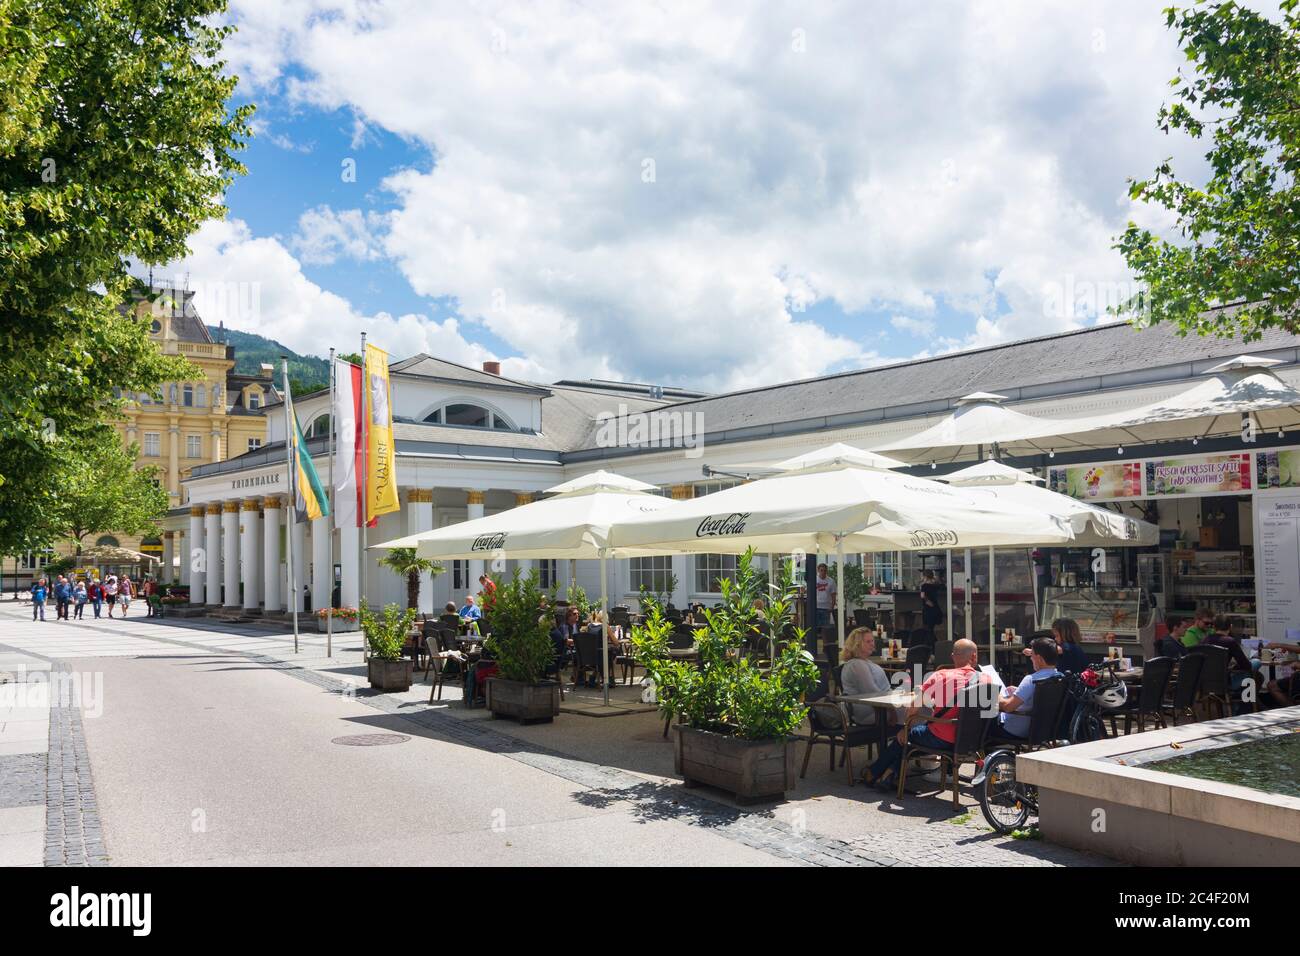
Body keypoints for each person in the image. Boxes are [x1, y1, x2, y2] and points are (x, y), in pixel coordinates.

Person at [862, 639, 990, 791]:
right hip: (971, 741)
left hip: (940, 739)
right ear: (974, 657)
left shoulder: (941, 675)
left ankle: (874, 771)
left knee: (904, 736)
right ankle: (889, 773)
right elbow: (988, 711)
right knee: (915, 737)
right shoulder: (986, 679)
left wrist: (905, 727)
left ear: (953, 656)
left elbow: (913, 709)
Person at [994, 636, 1061, 740]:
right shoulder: (1059, 677)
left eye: (1032, 655)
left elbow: (1008, 707)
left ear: (1039, 659)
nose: (1031, 658)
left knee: (983, 718)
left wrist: (995, 694)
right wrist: (1019, 690)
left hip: (1016, 730)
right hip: (1045, 730)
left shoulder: (1031, 680)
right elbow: (1040, 697)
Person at [838, 627, 892, 725]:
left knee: (916, 707)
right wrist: (893, 711)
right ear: (857, 645)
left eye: (872, 640)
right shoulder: (856, 665)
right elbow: (872, 692)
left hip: (880, 706)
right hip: (871, 711)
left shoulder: (864, 661)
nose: (872, 644)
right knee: (915, 711)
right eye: (868, 641)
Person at [919, 570, 944, 639]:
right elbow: (942, 586)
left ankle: (931, 642)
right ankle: (933, 642)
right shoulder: (936, 585)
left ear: (925, 576)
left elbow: (922, 596)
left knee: (927, 628)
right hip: (936, 608)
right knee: (931, 627)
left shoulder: (924, 586)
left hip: (928, 608)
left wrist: (927, 601)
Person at [814, 563, 836, 629]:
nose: (823, 572)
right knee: (816, 627)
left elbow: (833, 595)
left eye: (825, 570)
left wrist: (832, 607)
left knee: (825, 628)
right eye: (821, 570)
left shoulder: (831, 581)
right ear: (818, 570)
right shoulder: (814, 580)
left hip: (826, 608)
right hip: (816, 607)